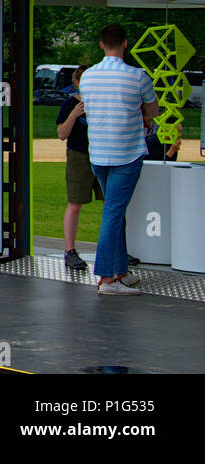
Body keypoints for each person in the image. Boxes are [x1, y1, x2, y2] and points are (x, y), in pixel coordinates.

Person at [79, 25, 158, 296]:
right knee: (113, 213)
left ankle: (120, 270)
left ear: (102, 45)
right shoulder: (138, 77)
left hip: (98, 154)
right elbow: (153, 110)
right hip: (127, 153)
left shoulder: (88, 76)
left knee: (116, 212)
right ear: (125, 44)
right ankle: (107, 279)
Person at [56, 64, 97, 270]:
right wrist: (73, 114)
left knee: (114, 204)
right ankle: (70, 250)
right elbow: (62, 134)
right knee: (75, 204)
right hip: (79, 156)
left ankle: (119, 249)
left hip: (103, 154)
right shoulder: (69, 104)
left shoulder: (102, 103)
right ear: (77, 83)